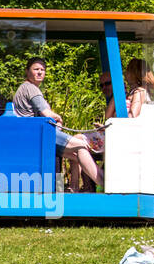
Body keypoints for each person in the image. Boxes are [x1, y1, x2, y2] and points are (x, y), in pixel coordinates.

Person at [13, 57, 101, 192]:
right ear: (27, 72)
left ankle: (74, 188)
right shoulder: (31, 88)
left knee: (75, 153)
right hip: (39, 134)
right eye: (36, 69)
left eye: (42, 70)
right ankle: (104, 183)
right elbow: (47, 113)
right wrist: (58, 118)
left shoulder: (24, 88)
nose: (40, 72)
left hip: (31, 134)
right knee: (81, 146)